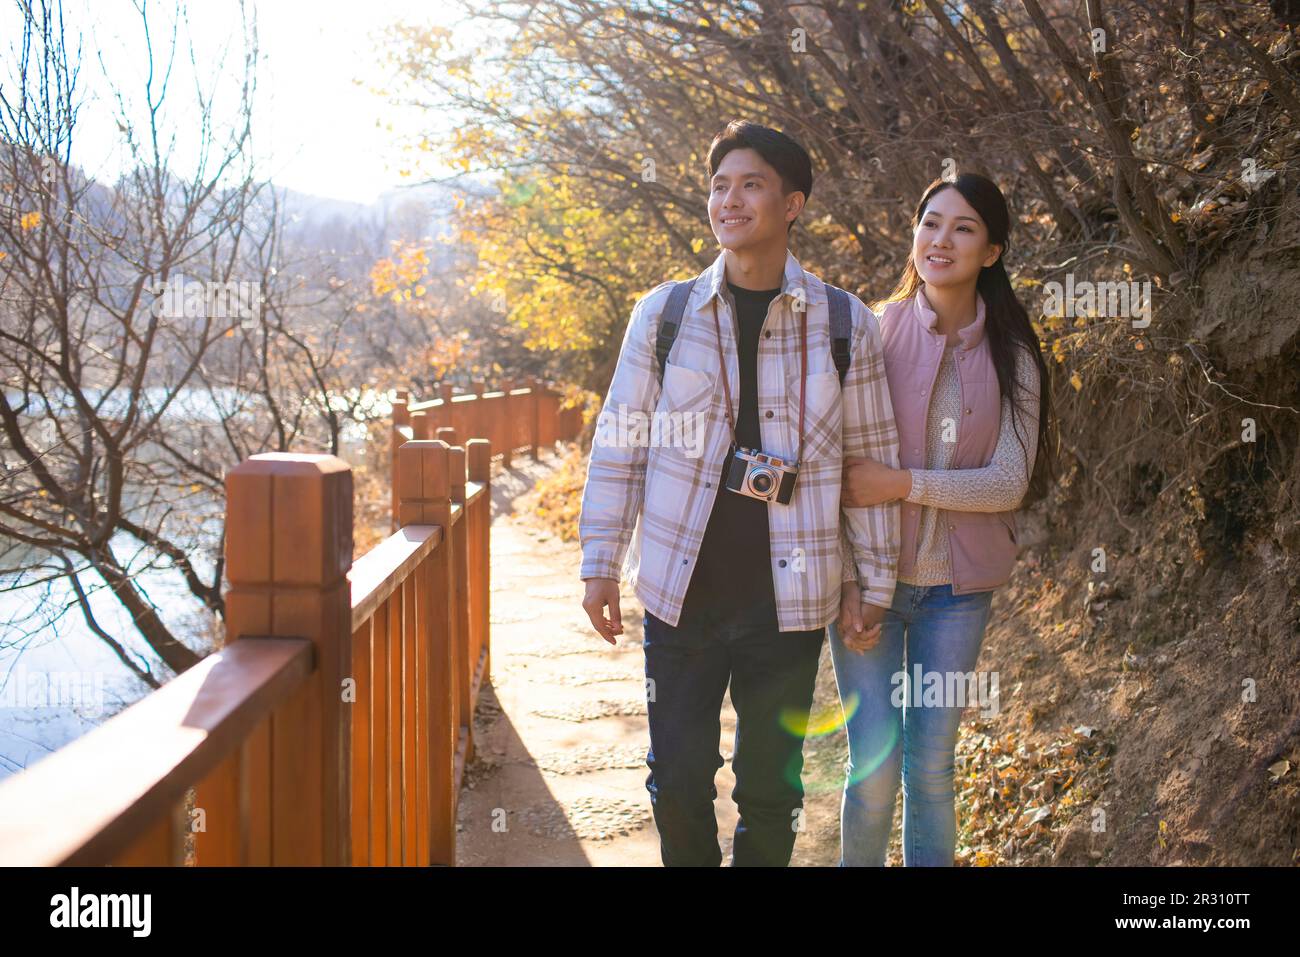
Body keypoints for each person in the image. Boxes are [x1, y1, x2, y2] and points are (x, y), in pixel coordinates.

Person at [577, 120, 900, 866]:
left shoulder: (846, 323)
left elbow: (871, 459)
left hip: (787, 601)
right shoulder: (664, 315)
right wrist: (601, 560)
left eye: (750, 184)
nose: (730, 199)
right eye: (719, 185)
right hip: (678, 590)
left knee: (770, 790)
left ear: (792, 203)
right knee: (679, 780)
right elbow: (620, 439)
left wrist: (873, 580)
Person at [833, 172, 1057, 866]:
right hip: (871, 584)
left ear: (991, 251)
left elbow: (1008, 482)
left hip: (957, 597)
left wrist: (901, 482)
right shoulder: (869, 332)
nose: (941, 239)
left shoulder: (1013, 354)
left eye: (963, 228)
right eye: (931, 222)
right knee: (872, 774)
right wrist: (848, 582)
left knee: (931, 771)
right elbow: (837, 473)